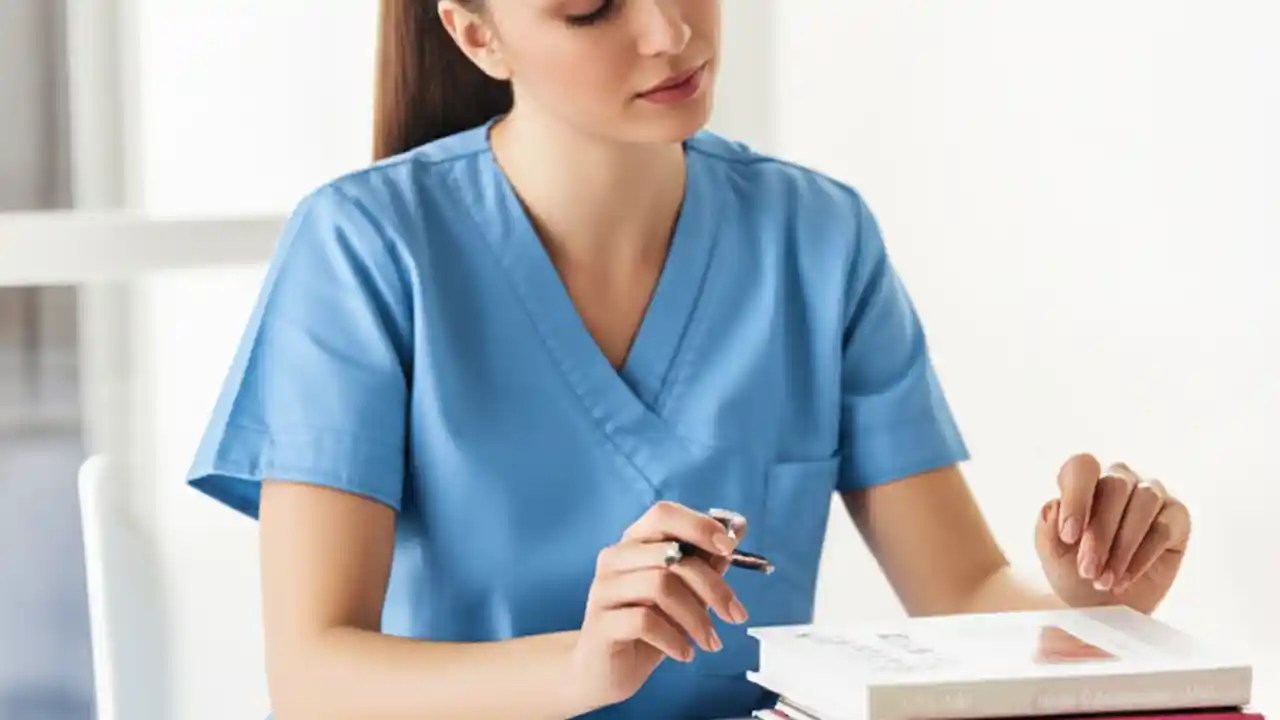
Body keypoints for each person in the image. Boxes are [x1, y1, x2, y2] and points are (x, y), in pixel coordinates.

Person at [185, 1, 1194, 718]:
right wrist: (580, 670)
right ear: (475, 32)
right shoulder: (364, 247)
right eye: (590, 8)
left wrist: (1090, 604)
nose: (670, 31)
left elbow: (963, 598)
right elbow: (314, 679)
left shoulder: (817, 236)